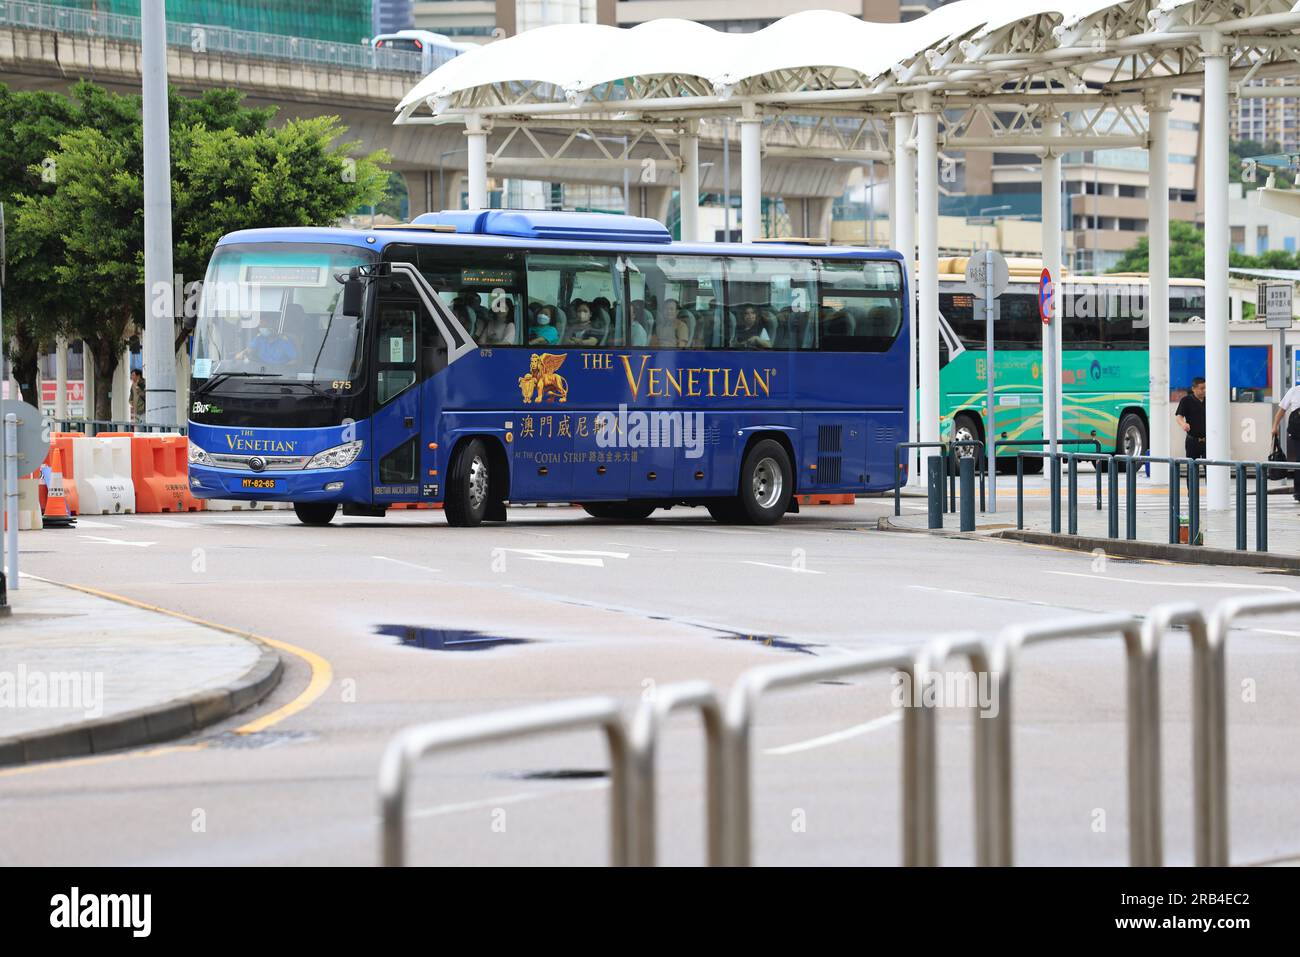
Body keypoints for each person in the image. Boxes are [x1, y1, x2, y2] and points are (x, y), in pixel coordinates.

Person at [1273, 380, 1300, 501]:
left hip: (1295, 433)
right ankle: (1298, 491)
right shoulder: (1294, 391)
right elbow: (1282, 410)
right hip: (1296, 434)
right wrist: (1275, 426)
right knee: (1299, 462)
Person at [1175, 377, 1206, 461]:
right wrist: (1183, 424)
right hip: (1192, 440)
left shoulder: (1210, 400)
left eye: (1206, 388)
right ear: (1193, 389)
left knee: (1209, 467)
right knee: (1192, 468)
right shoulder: (1186, 400)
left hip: (1208, 440)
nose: (1204, 390)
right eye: (1202, 388)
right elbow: (1179, 416)